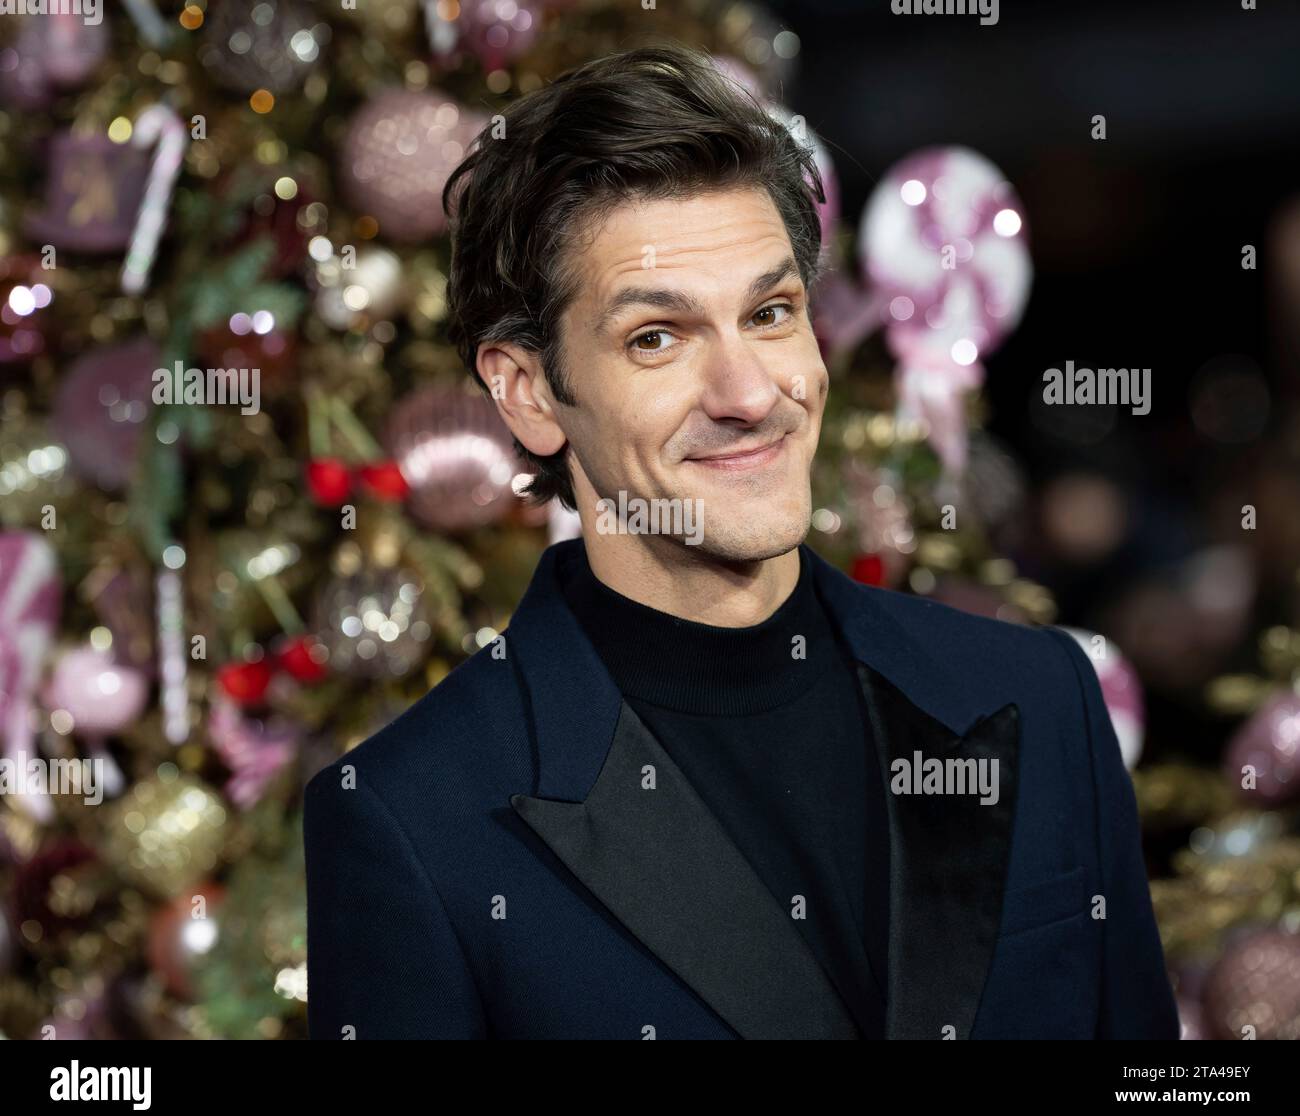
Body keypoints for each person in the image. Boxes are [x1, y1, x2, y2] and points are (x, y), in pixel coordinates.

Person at [303, 42, 1179, 1040]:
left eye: (769, 313)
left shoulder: (1038, 694)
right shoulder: (413, 819)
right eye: (657, 337)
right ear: (529, 390)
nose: (750, 394)